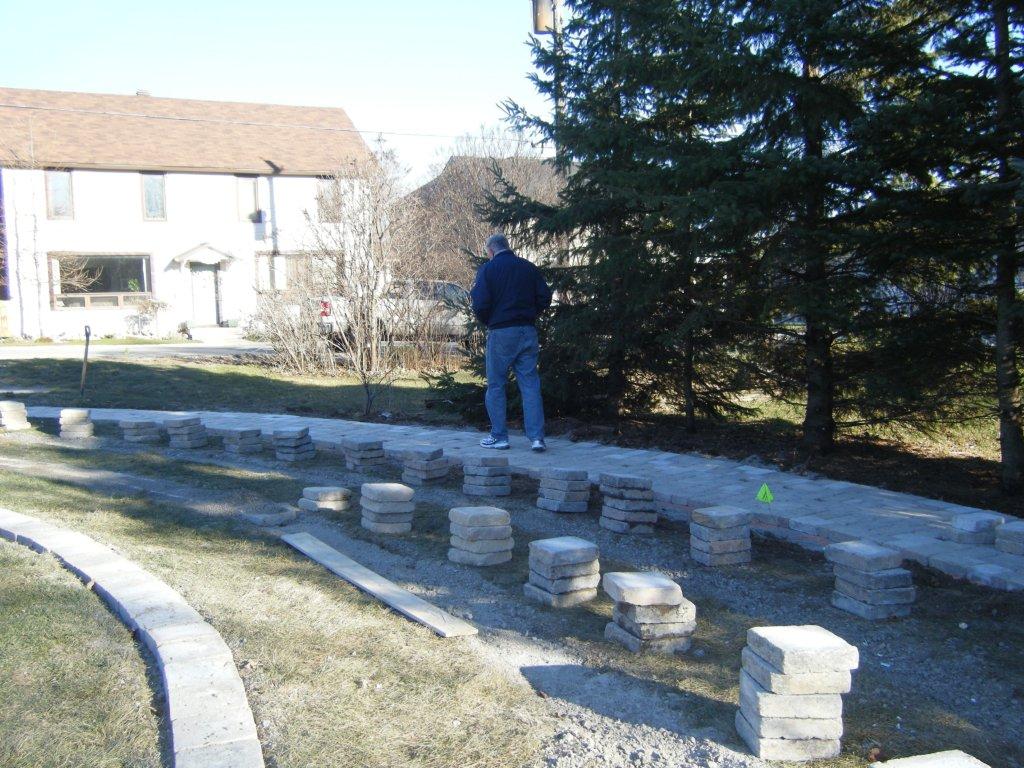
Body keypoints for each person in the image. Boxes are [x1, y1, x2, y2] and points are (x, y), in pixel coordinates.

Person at [470, 233, 553, 452]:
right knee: (530, 384)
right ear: (508, 247)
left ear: (490, 250)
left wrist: (490, 320)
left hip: (501, 332)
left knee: (496, 384)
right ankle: (536, 439)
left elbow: (479, 303)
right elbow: (545, 297)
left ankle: (500, 437)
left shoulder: (488, 270)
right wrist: (530, 314)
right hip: (527, 331)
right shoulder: (528, 267)